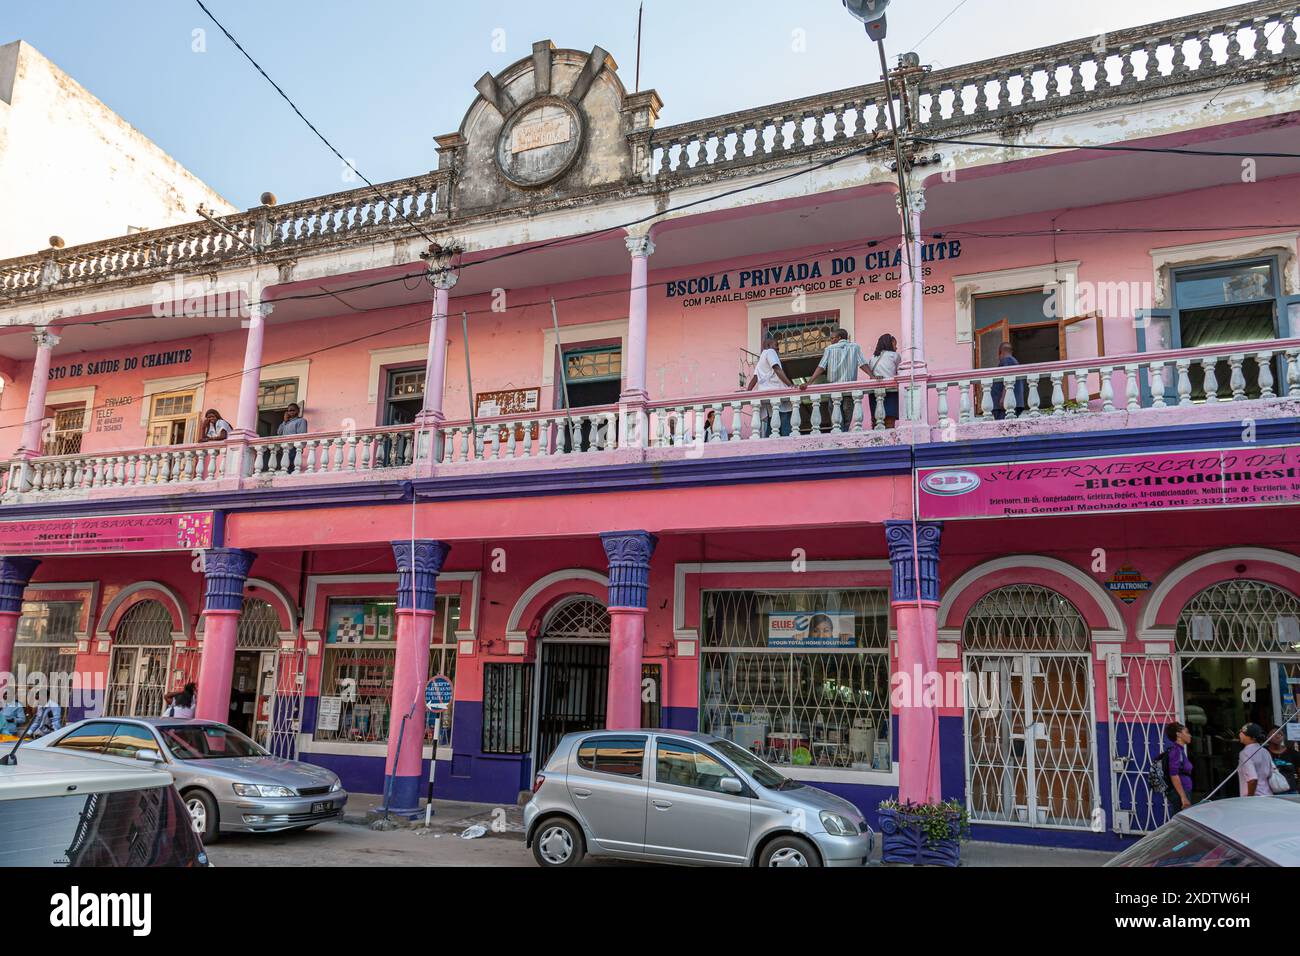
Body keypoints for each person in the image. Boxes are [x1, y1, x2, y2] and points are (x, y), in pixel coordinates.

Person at [803, 329, 870, 431]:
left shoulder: (829, 349)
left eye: (832, 338)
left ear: (839, 338)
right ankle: (845, 432)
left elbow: (821, 367)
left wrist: (809, 382)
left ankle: (840, 433)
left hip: (833, 390)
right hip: (849, 390)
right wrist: (872, 376)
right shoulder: (855, 347)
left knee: (836, 419)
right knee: (847, 419)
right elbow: (862, 364)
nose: (831, 340)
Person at [746, 334, 795, 437]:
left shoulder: (761, 358)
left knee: (772, 427)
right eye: (776, 345)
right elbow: (777, 369)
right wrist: (791, 385)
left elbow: (755, 378)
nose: (778, 348)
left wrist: (747, 392)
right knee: (785, 427)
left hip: (768, 398)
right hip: (779, 396)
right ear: (768, 345)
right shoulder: (770, 352)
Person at [866, 334, 901, 428]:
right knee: (889, 419)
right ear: (889, 344)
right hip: (890, 391)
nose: (896, 347)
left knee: (875, 420)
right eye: (894, 344)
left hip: (874, 392)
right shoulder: (894, 356)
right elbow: (900, 371)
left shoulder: (873, 357)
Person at [1237, 723, 1279, 797]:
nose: (1240, 734)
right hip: (1268, 795)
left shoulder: (1244, 753)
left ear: (1251, 737)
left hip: (1256, 798)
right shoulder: (1265, 751)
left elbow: (1252, 780)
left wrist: (1249, 798)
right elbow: (1271, 773)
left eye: (1243, 733)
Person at [989, 342, 1028, 420]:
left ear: (1000, 352)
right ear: (1011, 351)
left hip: (1004, 406)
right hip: (1010, 404)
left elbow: (1008, 380)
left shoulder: (1007, 360)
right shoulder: (1014, 362)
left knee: (1003, 429)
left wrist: (1004, 398)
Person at [1162, 721, 1194, 813]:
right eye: (1187, 732)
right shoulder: (1176, 751)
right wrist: (1183, 797)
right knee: (1181, 822)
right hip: (1180, 793)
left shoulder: (1180, 750)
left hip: (1183, 790)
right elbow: (1174, 775)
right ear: (1178, 734)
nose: (1190, 735)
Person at [1265, 727, 1299, 793]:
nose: (1278, 735)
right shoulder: (1264, 753)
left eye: (1280, 733)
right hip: (1270, 793)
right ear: (1267, 737)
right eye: (1274, 733)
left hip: (1291, 792)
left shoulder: (1293, 753)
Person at [276, 403, 308, 472]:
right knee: (284, 468)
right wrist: (284, 421)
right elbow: (279, 432)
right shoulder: (286, 422)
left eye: (292, 410)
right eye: (289, 411)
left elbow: (302, 435)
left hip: (294, 448)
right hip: (285, 448)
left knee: (291, 467)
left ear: (297, 411)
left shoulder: (301, 421)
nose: (290, 412)